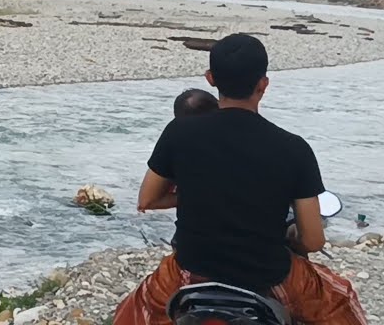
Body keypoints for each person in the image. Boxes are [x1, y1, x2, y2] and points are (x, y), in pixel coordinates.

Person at [113, 34, 366, 325]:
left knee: (131, 312)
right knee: (342, 300)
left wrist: (199, 191)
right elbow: (312, 240)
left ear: (210, 79)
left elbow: (148, 199)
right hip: (272, 277)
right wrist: (292, 234)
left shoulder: (178, 132)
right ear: (263, 84)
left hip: (188, 271)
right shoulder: (295, 148)